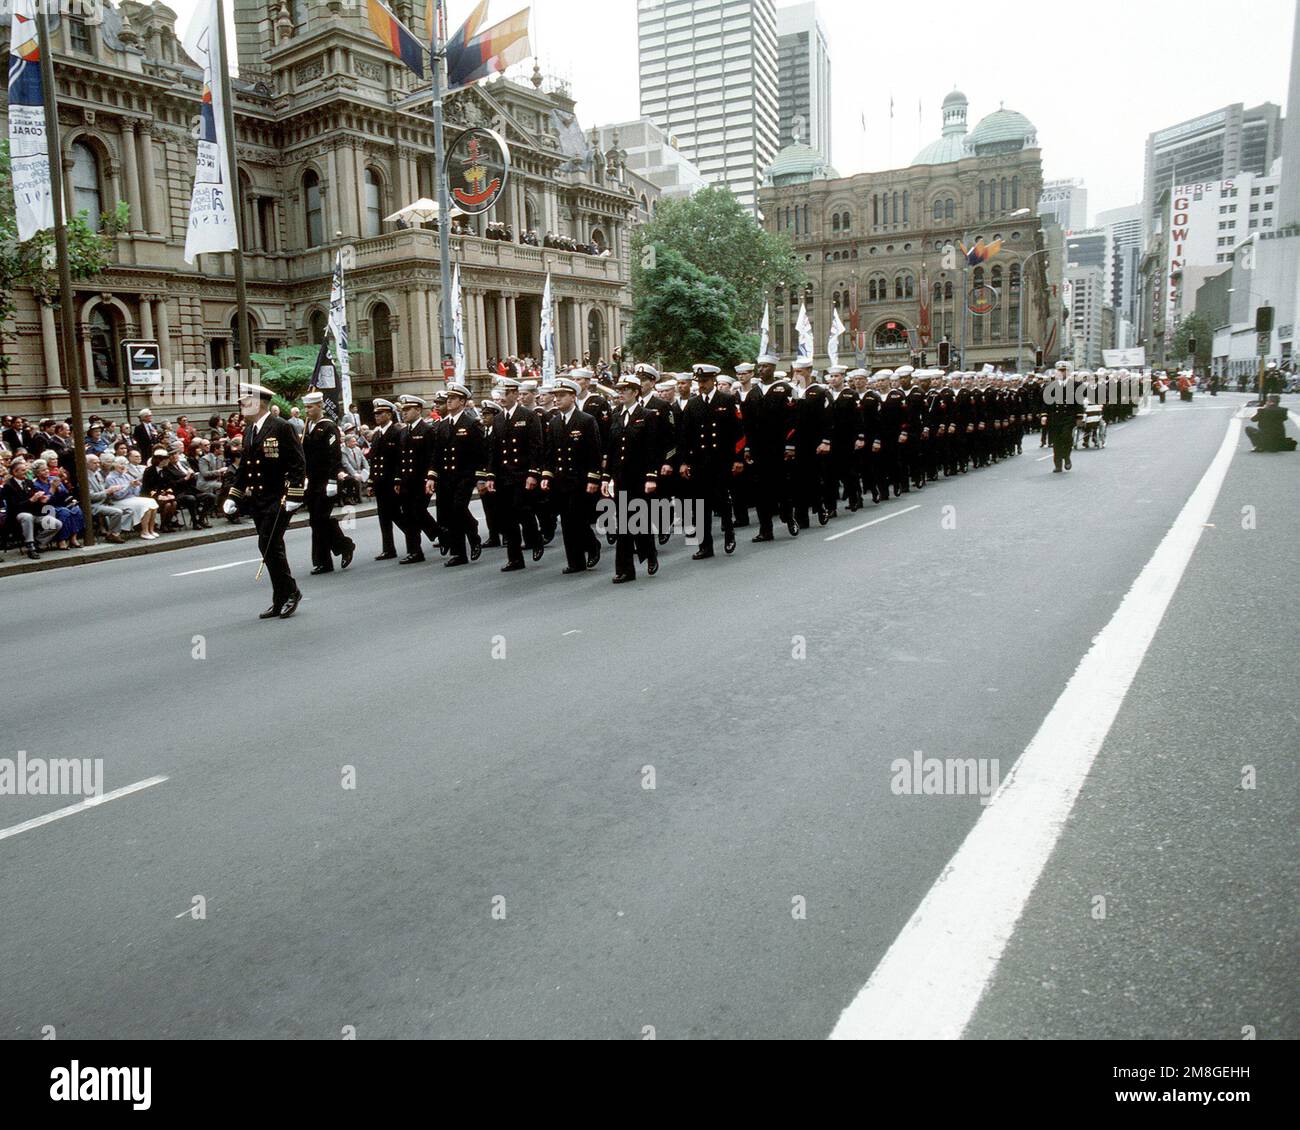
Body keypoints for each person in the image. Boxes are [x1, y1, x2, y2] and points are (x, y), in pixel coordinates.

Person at [223, 382, 305, 619]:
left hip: (279, 498)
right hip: (258, 499)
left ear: (258, 403)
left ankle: (291, 593)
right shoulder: (249, 431)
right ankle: (280, 597)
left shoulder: (282, 427)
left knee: (270, 545)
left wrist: (294, 495)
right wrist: (233, 495)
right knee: (267, 546)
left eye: (245, 402)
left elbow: (298, 463)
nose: (241, 406)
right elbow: (244, 469)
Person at [679, 363, 747, 559]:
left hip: (721, 459)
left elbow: (738, 432)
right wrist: (684, 462)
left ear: (713, 381)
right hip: (700, 461)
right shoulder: (692, 404)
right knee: (701, 504)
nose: (701, 385)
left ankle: (729, 534)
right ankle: (705, 545)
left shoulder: (726, 399)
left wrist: (738, 458)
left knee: (721, 499)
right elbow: (685, 436)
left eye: (705, 381)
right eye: (699, 382)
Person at [481, 377, 545, 572]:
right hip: (503, 475)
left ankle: (535, 540)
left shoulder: (528, 416)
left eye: (506, 393)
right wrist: (490, 476)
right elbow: (493, 450)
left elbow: (536, 446)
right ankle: (515, 558)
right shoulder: (499, 419)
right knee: (507, 517)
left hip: (522, 473)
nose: (502, 397)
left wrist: (533, 473)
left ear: (515, 394)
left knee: (523, 511)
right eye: (500, 393)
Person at [541, 377, 602, 573]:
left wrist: (593, 477)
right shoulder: (554, 421)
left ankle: (592, 546)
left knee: (578, 518)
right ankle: (575, 562)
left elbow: (594, 452)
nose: (557, 399)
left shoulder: (586, 420)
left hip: (580, 479)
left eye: (562, 396)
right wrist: (546, 476)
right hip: (561, 479)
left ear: (573, 397)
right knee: (567, 521)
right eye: (555, 396)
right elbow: (550, 452)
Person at [604, 375, 661, 583]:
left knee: (640, 520)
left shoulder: (647, 415)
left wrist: (651, 476)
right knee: (624, 523)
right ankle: (625, 569)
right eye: (618, 389)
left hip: (640, 476)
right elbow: (610, 449)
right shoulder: (616, 414)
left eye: (625, 389)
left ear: (635, 392)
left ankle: (650, 552)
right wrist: (606, 477)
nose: (620, 392)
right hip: (621, 476)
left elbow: (652, 449)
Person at [430, 383, 488, 567]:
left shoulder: (472, 423)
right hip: (447, 476)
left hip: (465, 474)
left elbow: (481, 452)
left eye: (453, 398)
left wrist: (480, 477)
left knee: (458, 507)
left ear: (462, 401)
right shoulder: (442, 425)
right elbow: (436, 453)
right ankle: (459, 553)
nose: (449, 401)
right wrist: (432, 476)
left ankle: (472, 533)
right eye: (448, 398)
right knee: (449, 512)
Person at [301, 390, 356, 574]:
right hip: (313, 481)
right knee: (316, 520)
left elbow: (334, 455)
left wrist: (333, 480)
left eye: (310, 407)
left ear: (319, 406)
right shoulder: (307, 427)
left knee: (319, 518)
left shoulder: (329, 427)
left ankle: (340, 548)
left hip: (326, 480)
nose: (306, 410)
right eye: (305, 407)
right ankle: (328, 557)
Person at [393, 394, 443, 564]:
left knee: (417, 511)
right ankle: (415, 551)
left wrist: (431, 477)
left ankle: (440, 533)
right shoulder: (403, 432)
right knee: (408, 515)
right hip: (407, 481)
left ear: (418, 410)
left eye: (408, 410)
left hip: (421, 481)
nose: (404, 413)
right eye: (403, 410)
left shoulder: (427, 430)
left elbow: (432, 457)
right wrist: (398, 479)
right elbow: (400, 458)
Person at [367, 399, 404, 561]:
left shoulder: (396, 432)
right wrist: (370, 482)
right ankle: (388, 548)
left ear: (389, 414)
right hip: (380, 481)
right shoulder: (377, 434)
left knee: (396, 514)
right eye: (375, 414)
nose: (377, 417)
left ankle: (418, 534)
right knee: (384, 516)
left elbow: (399, 458)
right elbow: (373, 460)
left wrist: (398, 479)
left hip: (391, 480)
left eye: (380, 414)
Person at [106, 455, 159, 538]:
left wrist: (137, 486)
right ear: (115, 465)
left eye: (125, 464)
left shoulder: (126, 476)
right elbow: (117, 496)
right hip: (118, 501)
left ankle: (151, 530)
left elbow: (136, 493)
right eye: (121, 464)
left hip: (131, 498)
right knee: (146, 505)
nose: (123, 466)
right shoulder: (110, 478)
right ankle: (144, 531)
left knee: (152, 502)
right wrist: (129, 486)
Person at [83, 453, 129, 542]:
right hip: (93, 505)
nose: (97, 465)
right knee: (117, 512)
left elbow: (103, 488)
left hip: (105, 501)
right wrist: (107, 491)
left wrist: (113, 490)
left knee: (128, 510)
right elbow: (90, 496)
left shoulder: (97, 474)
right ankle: (113, 534)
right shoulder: (85, 477)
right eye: (94, 463)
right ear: (87, 464)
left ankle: (114, 531)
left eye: (98, 463)